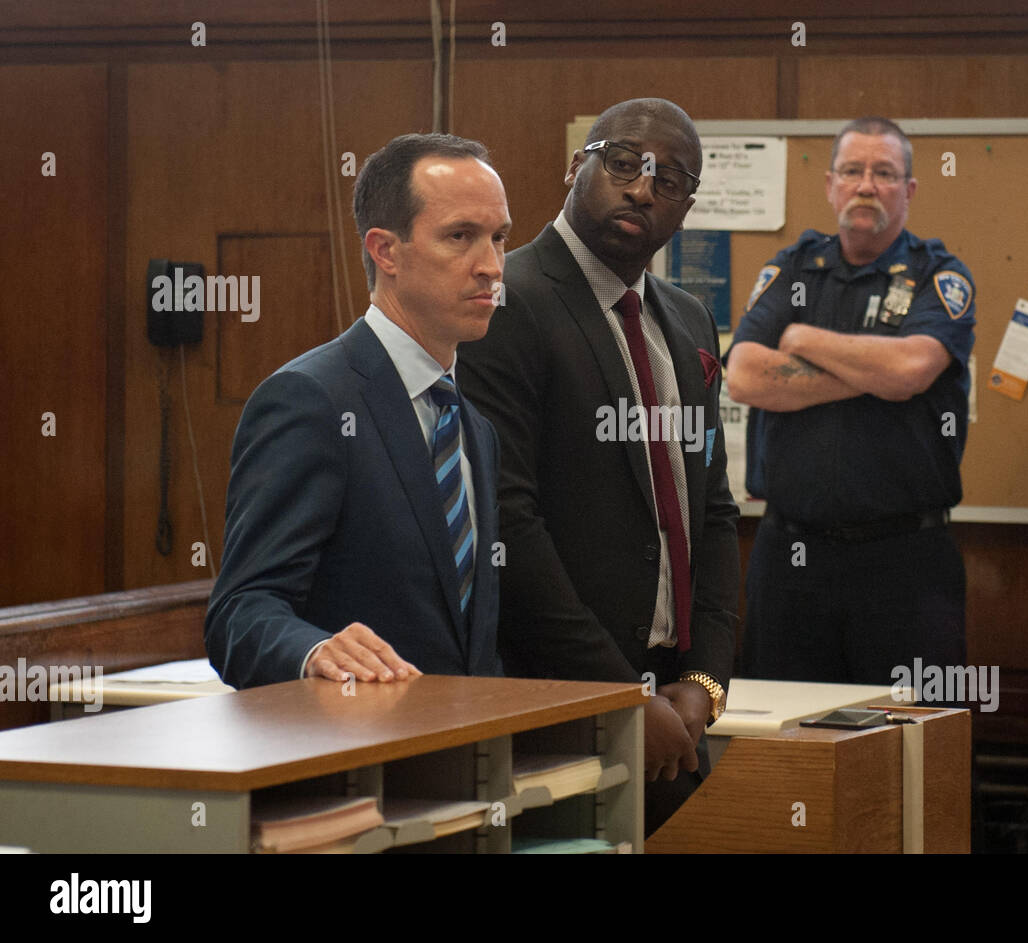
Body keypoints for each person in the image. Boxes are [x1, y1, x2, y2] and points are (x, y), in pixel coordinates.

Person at [458, 98, 740, 835]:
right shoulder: (506, 301)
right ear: (576, 166)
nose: (644, 190)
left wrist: (703, 683)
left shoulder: (687, 319)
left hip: (674, 709)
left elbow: (712, 510)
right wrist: (618, 696)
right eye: (625, 164)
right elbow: (509, 523)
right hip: (553, 700)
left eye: (671, 180)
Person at [206, 133, 509, 689]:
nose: (490, 265)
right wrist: (317, 649)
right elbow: (240, 614)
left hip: (463, 755)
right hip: (352, 758)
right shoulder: (310, 399)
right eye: (460, 236)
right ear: (385, 251)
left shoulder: (474, 426)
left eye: (498, 237)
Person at [726, 116, 975, 689]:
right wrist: (877, 370)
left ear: (908, 190)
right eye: (853, 171)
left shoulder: (938, 274)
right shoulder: (792, 270)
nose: (867, 185)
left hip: (906, 558)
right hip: (791, 554)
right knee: (788, 744)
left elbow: (912, 369)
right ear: (831, 184)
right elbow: (742, 376)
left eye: (884, 173)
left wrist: (802, 340)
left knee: (912, 740)